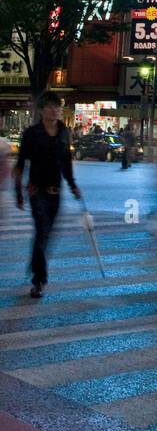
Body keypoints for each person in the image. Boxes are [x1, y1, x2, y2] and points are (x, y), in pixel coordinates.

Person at [14, 93, 81, 299]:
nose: (55, 110)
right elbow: (21, 164)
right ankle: (39, 280)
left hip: (56, 192)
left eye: (57, 107)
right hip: (37, 191)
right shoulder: (32, 134)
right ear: (41, 110)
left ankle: (36, 265)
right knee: (42, 230)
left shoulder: (63, 131)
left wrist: (72, 185)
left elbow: (66, 162)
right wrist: (18, 191)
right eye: (51, 107)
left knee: (46, 236)